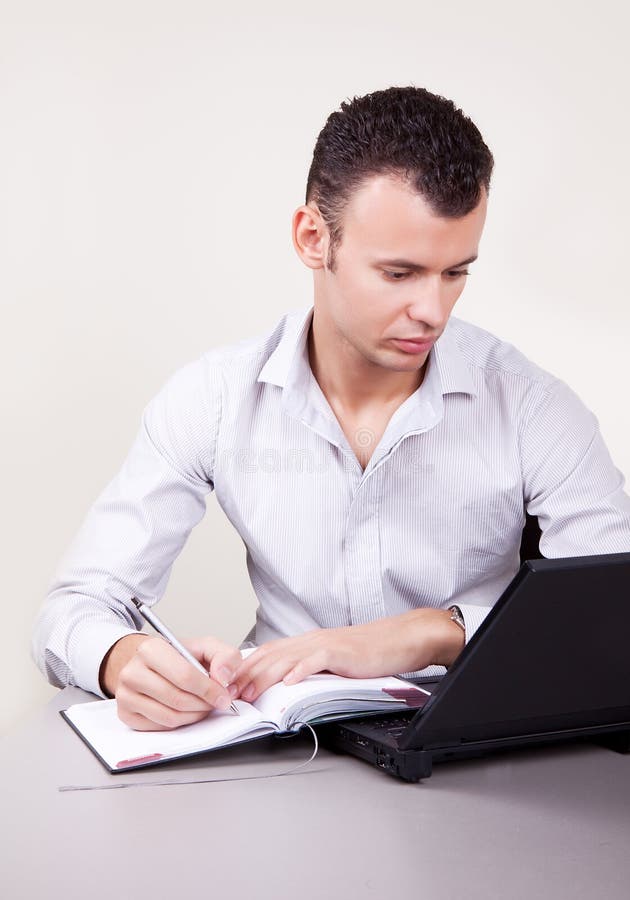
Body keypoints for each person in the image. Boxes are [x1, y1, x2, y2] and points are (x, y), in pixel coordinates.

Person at [32, 86, 630, 732]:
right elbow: (73, 608)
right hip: (285, 751)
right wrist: (126, 659)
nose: (434, 310)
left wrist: (436, 632)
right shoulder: (214, 397)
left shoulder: (532, 406)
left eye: (456, 273)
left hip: (474, 750)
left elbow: (614, 620)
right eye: (400, 274)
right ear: (313, 237)